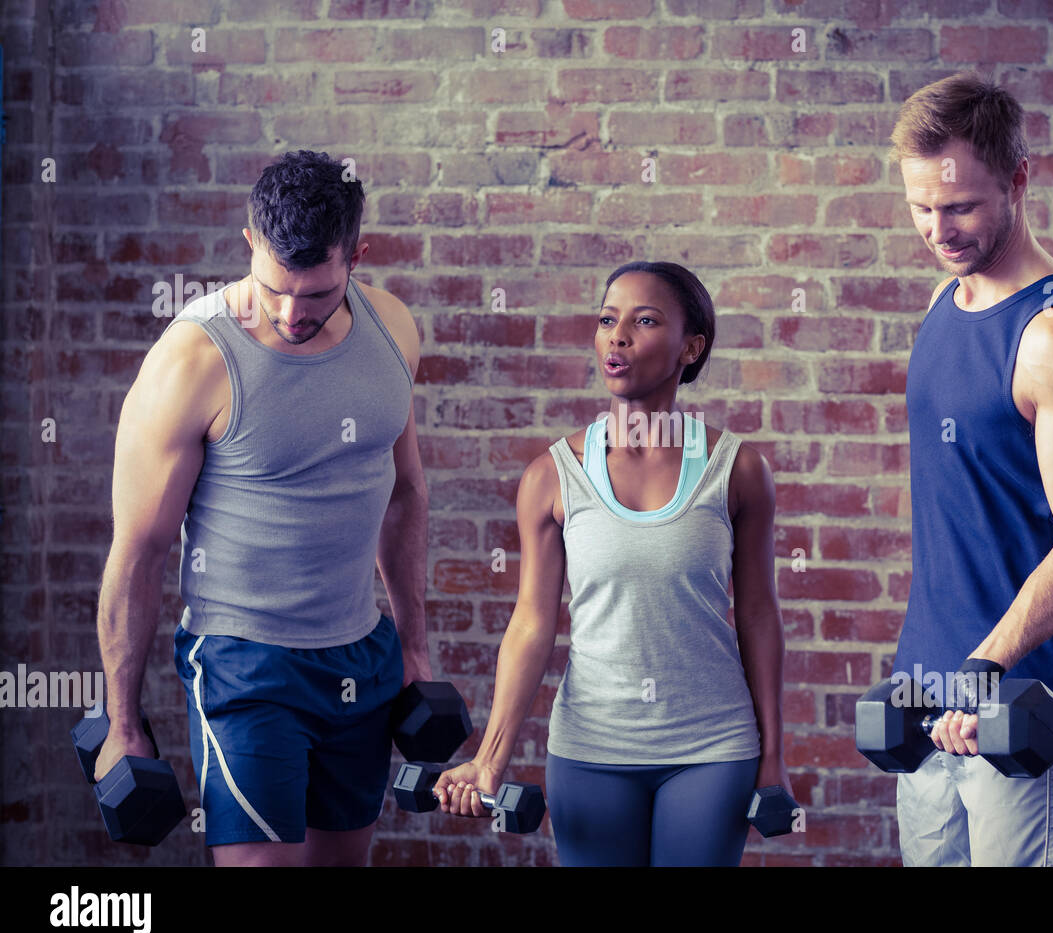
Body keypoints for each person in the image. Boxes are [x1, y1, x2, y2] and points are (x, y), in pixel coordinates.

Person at [94, 150, 431, 865]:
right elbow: (140, 549)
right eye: (276, 288)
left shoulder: (393, 331)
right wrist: (122, 720)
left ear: (356, 256)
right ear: (250, 243)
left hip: (358, 652)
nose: (290, 313)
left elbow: (403, 493)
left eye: (317, 294)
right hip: (244, 663)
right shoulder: (193, 359)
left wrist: (414, 643)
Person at [433, 262, 791, 866]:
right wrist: (490, 757)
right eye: (607, 320)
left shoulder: (740, 471)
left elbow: (758, 615)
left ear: (690, 347)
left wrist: (773, 755)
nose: (617, 335)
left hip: (712, 747)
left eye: (644, 320)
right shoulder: (552, 475)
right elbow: (531, 622)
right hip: (591, 748)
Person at [888, 74, 1053, 866]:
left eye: (959, 207)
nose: (938, 228)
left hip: (1025, 703)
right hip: (926, 703)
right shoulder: (942, 301)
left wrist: (986, 664)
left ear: (1020, 179)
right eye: (921, 207)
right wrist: (939, 670)